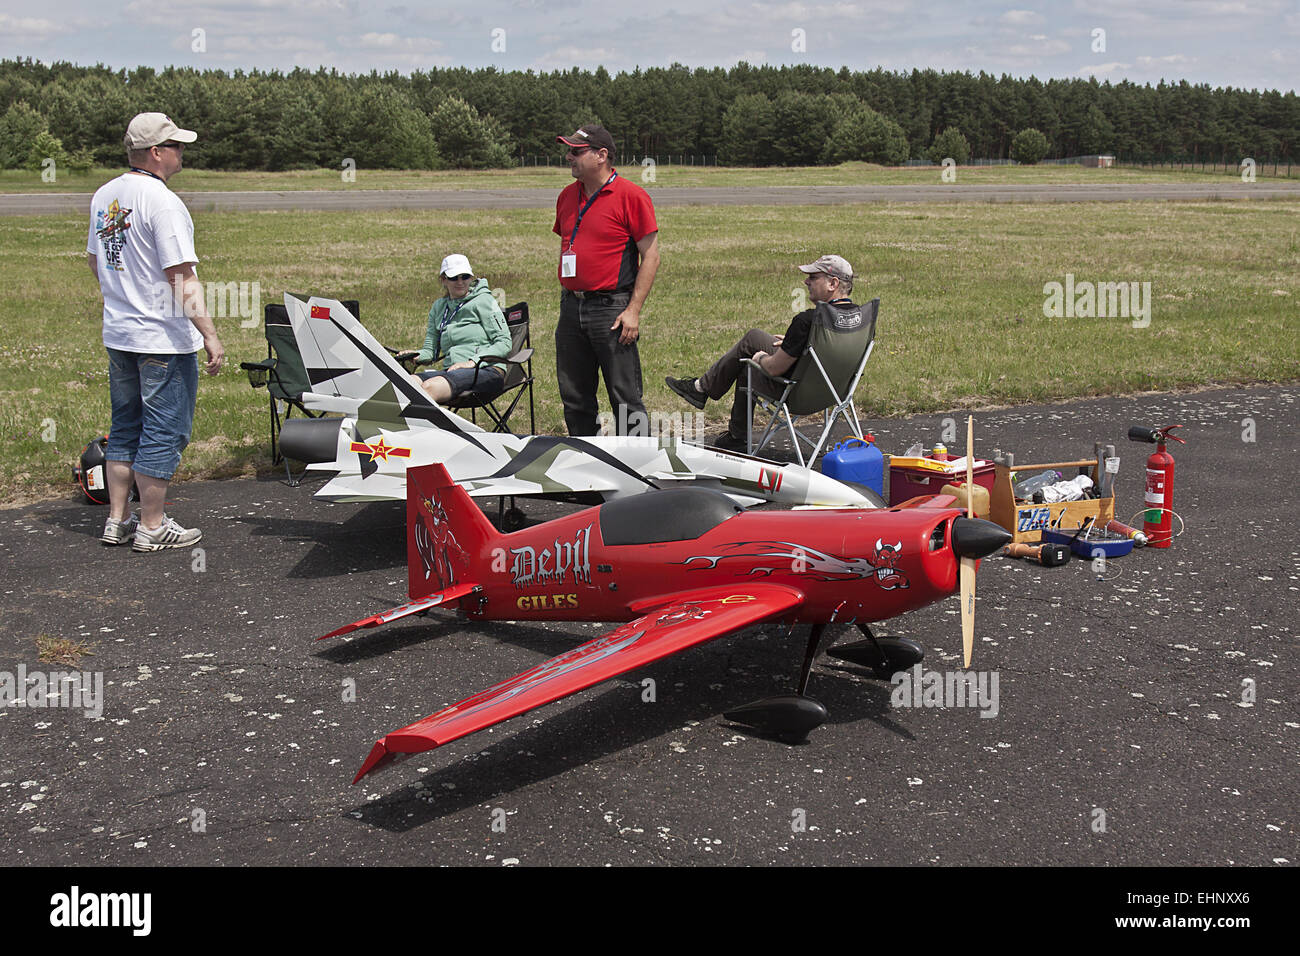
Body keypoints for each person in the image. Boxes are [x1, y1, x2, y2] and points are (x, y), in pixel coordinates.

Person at [86, 112, 224, 552]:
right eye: (177, 146)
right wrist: (210, 334)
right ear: (156, 152)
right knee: (165, 430)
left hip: (120, 334)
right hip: (160, 338)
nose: (182, 153)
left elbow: (95, 260)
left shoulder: (105, 195)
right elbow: (181, 276)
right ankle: (152, 524)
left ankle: (116, 519)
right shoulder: (162, 201)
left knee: (125, 427)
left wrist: (123, 296)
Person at [665, 255, 863, 452]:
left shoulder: (807, 321)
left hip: (797, 394)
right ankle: (725, 422)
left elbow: (774, 368)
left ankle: (703, 392)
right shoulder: (861, 319)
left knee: (750, 351)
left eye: (813, 277)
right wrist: (799, 343)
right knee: (754, 344)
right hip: (834, 393)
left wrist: (760, 357)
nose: (806, 281)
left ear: (833, 283)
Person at [553, 124, 660, 436]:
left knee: (624, 396)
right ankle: (587, 460)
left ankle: (638, 463)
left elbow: (651, 257)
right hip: (572, 308)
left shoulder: (632, 196)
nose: (568, 156)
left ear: (601, 155)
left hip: (612, 310)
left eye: (576, 151)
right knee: (574, 396)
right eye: (568, 150)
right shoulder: (566, 197)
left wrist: (634, 310)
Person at [399, 254, 512, 404]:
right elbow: (430, 352)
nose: (460, 282)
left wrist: (472, 362)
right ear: (443, 279)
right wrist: (416, 355)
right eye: (454, 277)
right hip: (452, 372)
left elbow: (504, 342)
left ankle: (433, 427)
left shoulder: (484, 300)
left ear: (471, 278)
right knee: (404, 384)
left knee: (429, 388)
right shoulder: (438, 307)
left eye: (465, 277)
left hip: (486, 370)